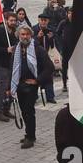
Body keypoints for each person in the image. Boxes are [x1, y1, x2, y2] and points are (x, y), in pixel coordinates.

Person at [8, 22, 54, 150]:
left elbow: (49, 67)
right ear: (18, 35)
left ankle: (30, 137)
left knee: (29, 111)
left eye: (27, 34)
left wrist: (37, 80)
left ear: (31, 35)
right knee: (23, 110)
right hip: (19, 84)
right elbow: (12, 68)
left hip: (31, 85)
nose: (25, 36)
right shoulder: (17, 49)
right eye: (22, 34)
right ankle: (29, 133)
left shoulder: (37, 49)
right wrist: (9, 87)